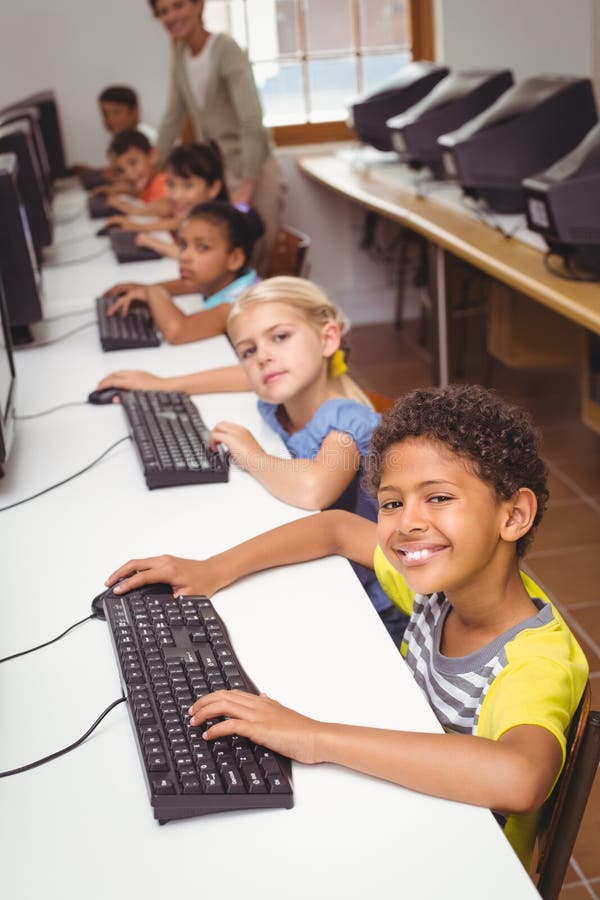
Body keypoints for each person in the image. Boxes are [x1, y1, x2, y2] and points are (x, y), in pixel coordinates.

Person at [106, 384, 588, 869]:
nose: (406, 524)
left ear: (514, 515)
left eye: (438, 497)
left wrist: (314, 736)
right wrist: (212, 569)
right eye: (392, 503)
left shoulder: (534, 663)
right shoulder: (441, 587)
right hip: (409, 812)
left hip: (461, 864)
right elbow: (335, 529)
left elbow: (520, 778)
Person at [100, 276, 408, 641]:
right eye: (248, 350)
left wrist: (252, 455)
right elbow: (242, 378)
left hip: (374, 606)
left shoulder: (347, 419)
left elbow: (313, 490)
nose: (263, 356)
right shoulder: (279, 399)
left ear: (328, 339)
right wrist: (163, 384)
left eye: (280, 337)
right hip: (327, 571)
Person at [148, 0, 284, 275]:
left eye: (178, 6)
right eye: (163, 12)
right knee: (222, 267)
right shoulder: (180, 55)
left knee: (254, 265)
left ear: (199, 5)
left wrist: (247, 184)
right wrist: (152, 166)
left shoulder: (225, 50)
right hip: (219, 169)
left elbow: (251, 120)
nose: (171, 16)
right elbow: (174, 115)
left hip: (252, 167)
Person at [103, 201, 262, 346]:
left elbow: (178, 332)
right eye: (183, 245)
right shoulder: (226, 280)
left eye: (202, 247)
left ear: (234, 259)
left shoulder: (239, 304)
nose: (184, 256)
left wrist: (153, 292)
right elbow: (191, 286)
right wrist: (139, 288)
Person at [103, 141, 229, 260]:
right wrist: (132, 213)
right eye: (170, 184)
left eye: (188, 186)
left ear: (213, 188)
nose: (176, 195)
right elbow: (166, 209)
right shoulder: (192, 213)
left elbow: (200, 259)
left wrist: (157, 243)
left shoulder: (217, 226)